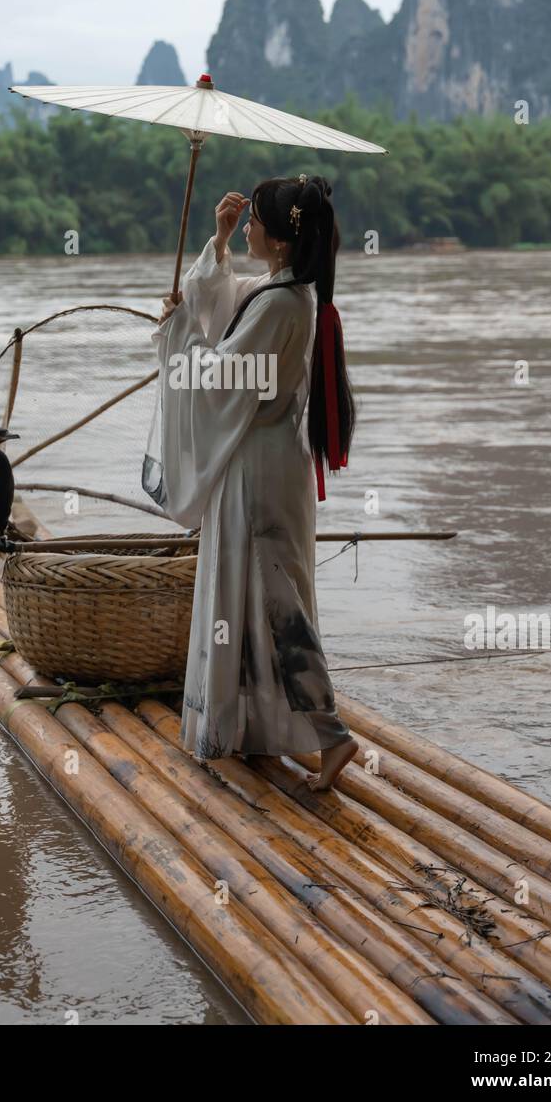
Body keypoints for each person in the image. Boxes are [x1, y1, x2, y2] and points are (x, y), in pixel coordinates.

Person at [143, 173, 358, 790]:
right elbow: (225, 299)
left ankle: (331, 734)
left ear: (283, 240)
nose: (250, 228)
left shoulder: (284, 303)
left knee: (273, 597)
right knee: (255, 592)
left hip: (260, 471)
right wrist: (219, 240)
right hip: (263, 460)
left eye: (256, 222)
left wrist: (181, 334)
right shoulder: (282, 292)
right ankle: (255, 727)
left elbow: (218, 377)